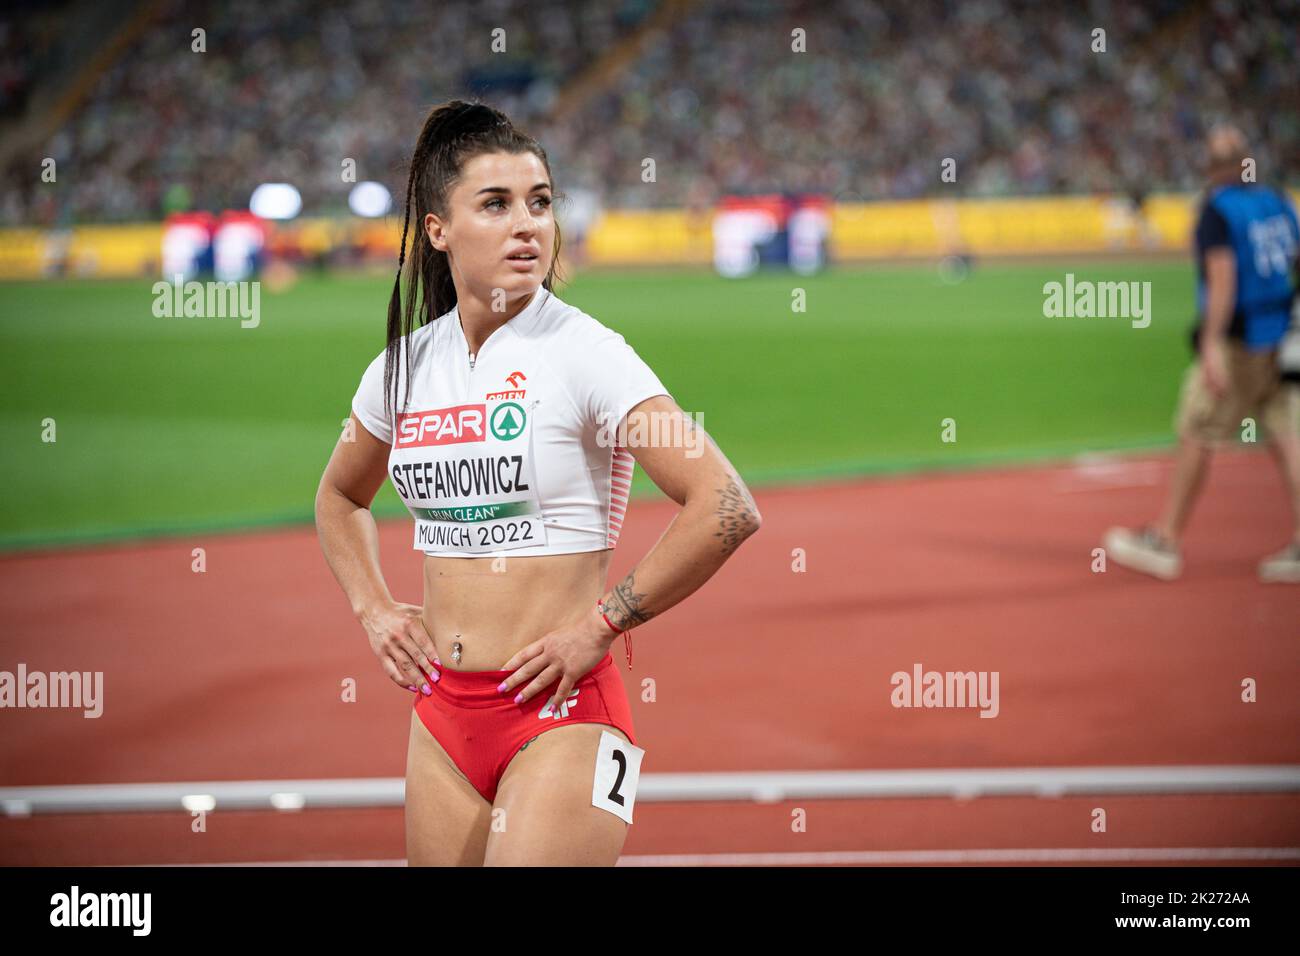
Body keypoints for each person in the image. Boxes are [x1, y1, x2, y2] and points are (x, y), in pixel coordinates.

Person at [314, 100, 762, 866]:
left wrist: (602, 625)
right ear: (437, 231)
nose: (528, 224)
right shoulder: (404, 368)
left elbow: (724, 504)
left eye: (541, 202)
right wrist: (375, 609)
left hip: (561, 712)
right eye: (496, 204)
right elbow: (340, 497)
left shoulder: (587, 353)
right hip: (442, 715)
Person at [1104, 124, 1300, 583]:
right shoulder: (1277, 201)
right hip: (1285, 336)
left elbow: (1223, 282)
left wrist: (1210, 344)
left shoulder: (1217, 212)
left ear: (1215, 168)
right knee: (1289, 435)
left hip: (1241, 340)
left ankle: (1166, 539)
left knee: (1196, 427)